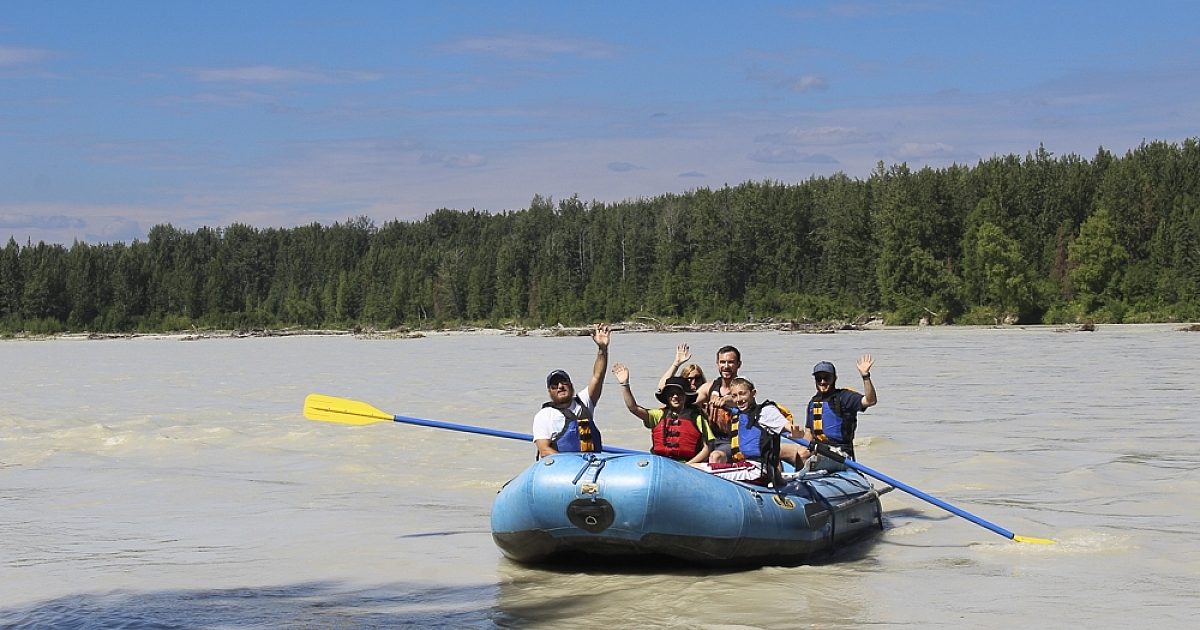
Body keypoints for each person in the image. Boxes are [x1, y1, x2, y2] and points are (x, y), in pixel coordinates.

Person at [531, 323, 611, 458]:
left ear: (571, 385)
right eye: (555, 385)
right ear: (549, 391)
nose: (560, 387)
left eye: (564, 382)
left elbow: (598, 376)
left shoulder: (584, 402)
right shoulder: (544, 415)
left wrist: (602, 349)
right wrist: (572, 465)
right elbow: (544, 450)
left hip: (590, 465)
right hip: (562, 469)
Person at [612, 363, 714, 464]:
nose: (675, 396)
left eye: (679, 393)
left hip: (688, 464)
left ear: (686, 396)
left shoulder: (698, 418)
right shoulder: (658, 415)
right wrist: (624, 385)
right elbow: (634, 408)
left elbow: (708, 447)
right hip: (661, 462)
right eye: (671, 394)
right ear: (666, 397)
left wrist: (689, 465)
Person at [702, 377, 793, 485]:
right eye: (735, 396)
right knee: (698, 467)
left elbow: (789, 427)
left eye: (742, 394)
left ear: (753, 393)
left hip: (756, 470)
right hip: (747, 466)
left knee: (701, 470)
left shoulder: (765, 411)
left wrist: (797, 433)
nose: (739, 399)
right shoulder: (741, 413)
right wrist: (723, 400)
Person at [801, 355, 878, 470]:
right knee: (789, 452)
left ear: (834, 378)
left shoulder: (844, 397)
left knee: (803, 455)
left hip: (841, 454)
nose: (822, 382)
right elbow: (808, 431)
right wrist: (803, 446)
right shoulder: (813, 402)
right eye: (818, 378)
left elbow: (870, 400)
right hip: (819, 449)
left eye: (826, 377)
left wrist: (865, 376)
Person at [694, 345, 742, 462]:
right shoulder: (709, 388)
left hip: (733, 441)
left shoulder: (744, 388)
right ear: (717, 364)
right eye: (722, 362)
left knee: (715, 456)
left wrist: (727, 400)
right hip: (710, 439)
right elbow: (686, 401)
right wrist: (676, 364)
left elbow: (740, 399)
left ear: (738, 364)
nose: (726, 366)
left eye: (731, 362)